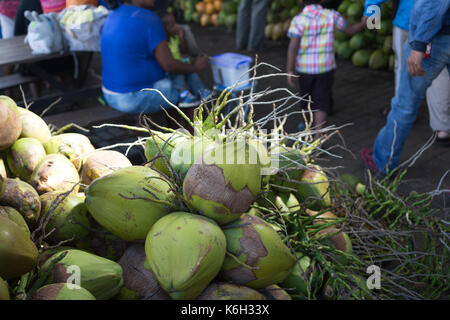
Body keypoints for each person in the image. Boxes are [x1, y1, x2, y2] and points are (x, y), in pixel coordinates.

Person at [361, 0, 450, 175]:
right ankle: (442, 129)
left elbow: (435, 3)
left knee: (405, 104)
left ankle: (382, 162)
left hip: (436, 37)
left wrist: (419, 44)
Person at [101, 0, 209, 114]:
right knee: (187, 90)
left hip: (110, 94)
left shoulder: (114, 13)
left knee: (181, 71)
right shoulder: (148, 18)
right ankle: (195, 123)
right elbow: (169, 65)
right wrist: (195, 67)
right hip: (133, 98)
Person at [286, 0, 367, 134]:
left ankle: (307, 127)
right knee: (322, 103)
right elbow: (350, 30)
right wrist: (364, 23)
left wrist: (289, 70)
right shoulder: (331, 15)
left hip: (305, 69)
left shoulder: (298, 20)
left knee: (306, 101)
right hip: (325, 68)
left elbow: (293, 47)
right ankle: (319, 137)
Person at [161, 12, 211, 102]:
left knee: (192, 73)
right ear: (163, 29)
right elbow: (169, 63)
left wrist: (181, 35)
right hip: (171, 69)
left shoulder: (173, 38)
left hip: (179, 62)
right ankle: (183, 94)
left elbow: (183, 50)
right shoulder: (163, 43)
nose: (176, 27)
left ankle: (200, 91)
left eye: (175, 23)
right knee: (179, 74)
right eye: (172, 26)